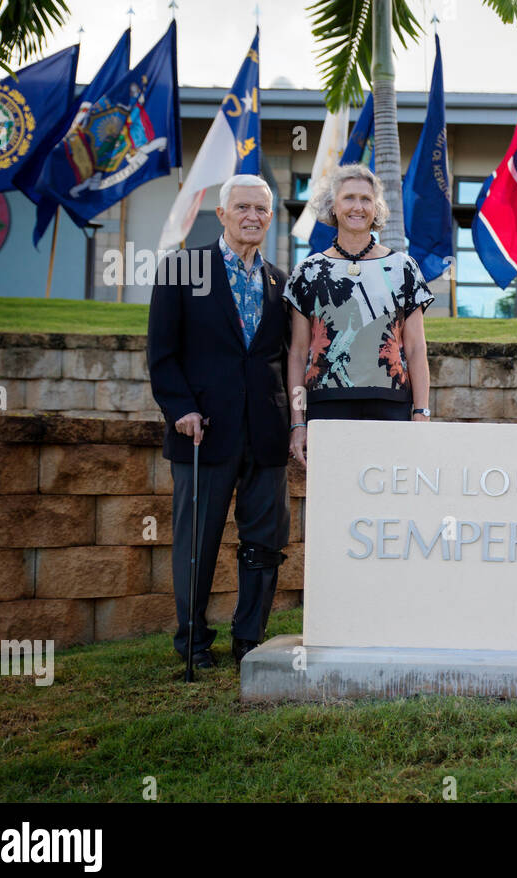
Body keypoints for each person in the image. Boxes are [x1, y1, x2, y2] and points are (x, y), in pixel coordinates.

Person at [148, 173, 291, 670]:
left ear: (271, 219)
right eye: (243, 208)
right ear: (223, 214)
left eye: (262, 210)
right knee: (198, 542)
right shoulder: (182, 270)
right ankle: (193, 642)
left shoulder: (281, 283)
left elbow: (286, 359)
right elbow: (162, 356)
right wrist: (180, 408)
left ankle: (249, 638)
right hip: (201, 432)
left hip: (267, 434)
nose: (253, 217)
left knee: (265, 542)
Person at [285, 163, 433, 466]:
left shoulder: (403, 268)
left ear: (376, 207)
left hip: (390, 403)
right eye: (349, 198)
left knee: (386, 499)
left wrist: (421, 411)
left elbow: (417, 347)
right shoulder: (308, 272)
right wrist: (298, 421)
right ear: (333, 206)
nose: (358, 207)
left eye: (366, 199)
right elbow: (298, 354)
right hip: (325, 405)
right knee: (331, 500)